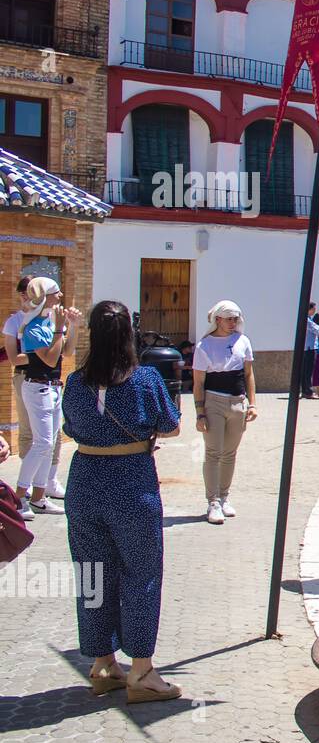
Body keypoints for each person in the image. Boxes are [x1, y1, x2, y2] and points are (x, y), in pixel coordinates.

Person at [62, 300, 182, 703]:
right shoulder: (145, 379)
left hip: (84, 483)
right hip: (132, 484)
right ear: (129, 335)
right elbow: (170, 425)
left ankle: (103, 663)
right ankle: (142, 670)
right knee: (141, 574)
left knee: (93, 575)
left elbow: (70, 426)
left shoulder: (75, 384)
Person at [15, 277, 79, 518]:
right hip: (37, 388)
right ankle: (19, 497)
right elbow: (50, 359)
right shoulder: (33, 328)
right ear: (44, 297)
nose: (61, 295)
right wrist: (60, 328)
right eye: (55, 291)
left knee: (50, 444)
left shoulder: (50, 323)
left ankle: (39, 498)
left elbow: (68, 351)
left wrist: (72, 325)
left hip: (52, 387)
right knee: (42, 443)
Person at [191, 300, 257, 525]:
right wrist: (200, 412)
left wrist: (253, 403)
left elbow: (248, 374)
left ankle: (224, 496)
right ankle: (212, 501)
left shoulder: (243, 341)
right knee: (213, 452)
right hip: (214, 401)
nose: (233, 323)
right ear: (217, 319)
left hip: (238, 401)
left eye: (235, 319)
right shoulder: (204, 346)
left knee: (230, 452)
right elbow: (198, 382)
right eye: (229, 319)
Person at [4, 276, 64, 497]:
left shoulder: (51, 320)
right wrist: (42, 355)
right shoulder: (18, 322)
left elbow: (62, 353)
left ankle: (47, 482)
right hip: (27, 379)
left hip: (51, 382)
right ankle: (24, 489)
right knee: (33, 435)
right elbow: (15, 358)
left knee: (52, 437)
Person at [299, 302, 319, 399]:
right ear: (309, 309)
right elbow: (317, 329)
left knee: (307, 370)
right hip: (309, 348)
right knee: (308, 370)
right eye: (314, 309)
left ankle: (306, 390)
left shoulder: (309, 319)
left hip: (309, 347)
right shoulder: (307, 320)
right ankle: (308, 391)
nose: (315, 311)